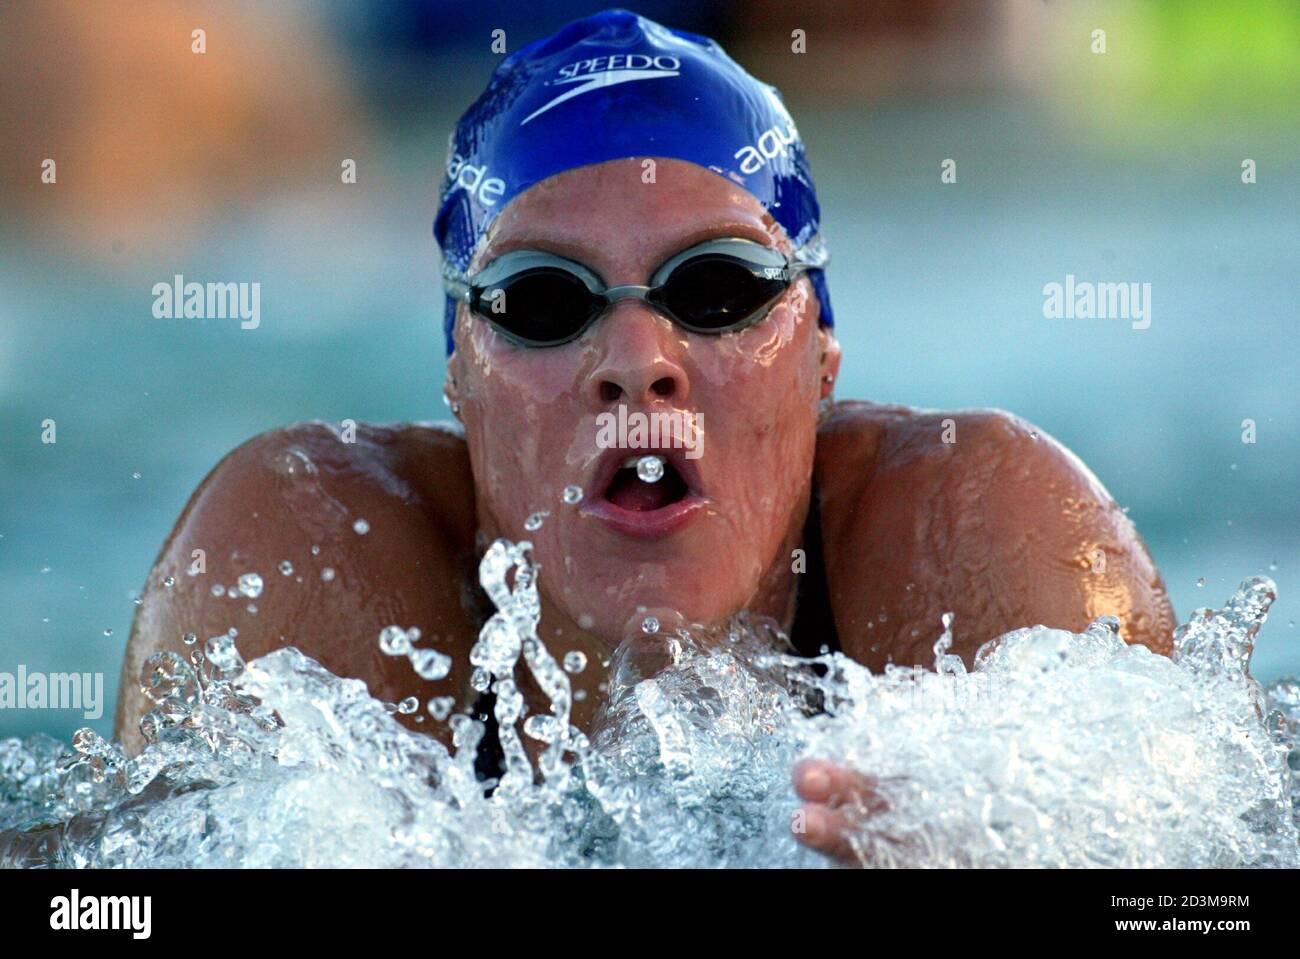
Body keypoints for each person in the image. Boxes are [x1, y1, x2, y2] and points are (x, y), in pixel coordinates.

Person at [115, 9, 1176, 866]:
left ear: (822, 355)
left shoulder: (980, 527)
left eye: (716, 288)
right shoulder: (305, 548)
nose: (635, 354)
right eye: (541, 300)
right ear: (459, 374)